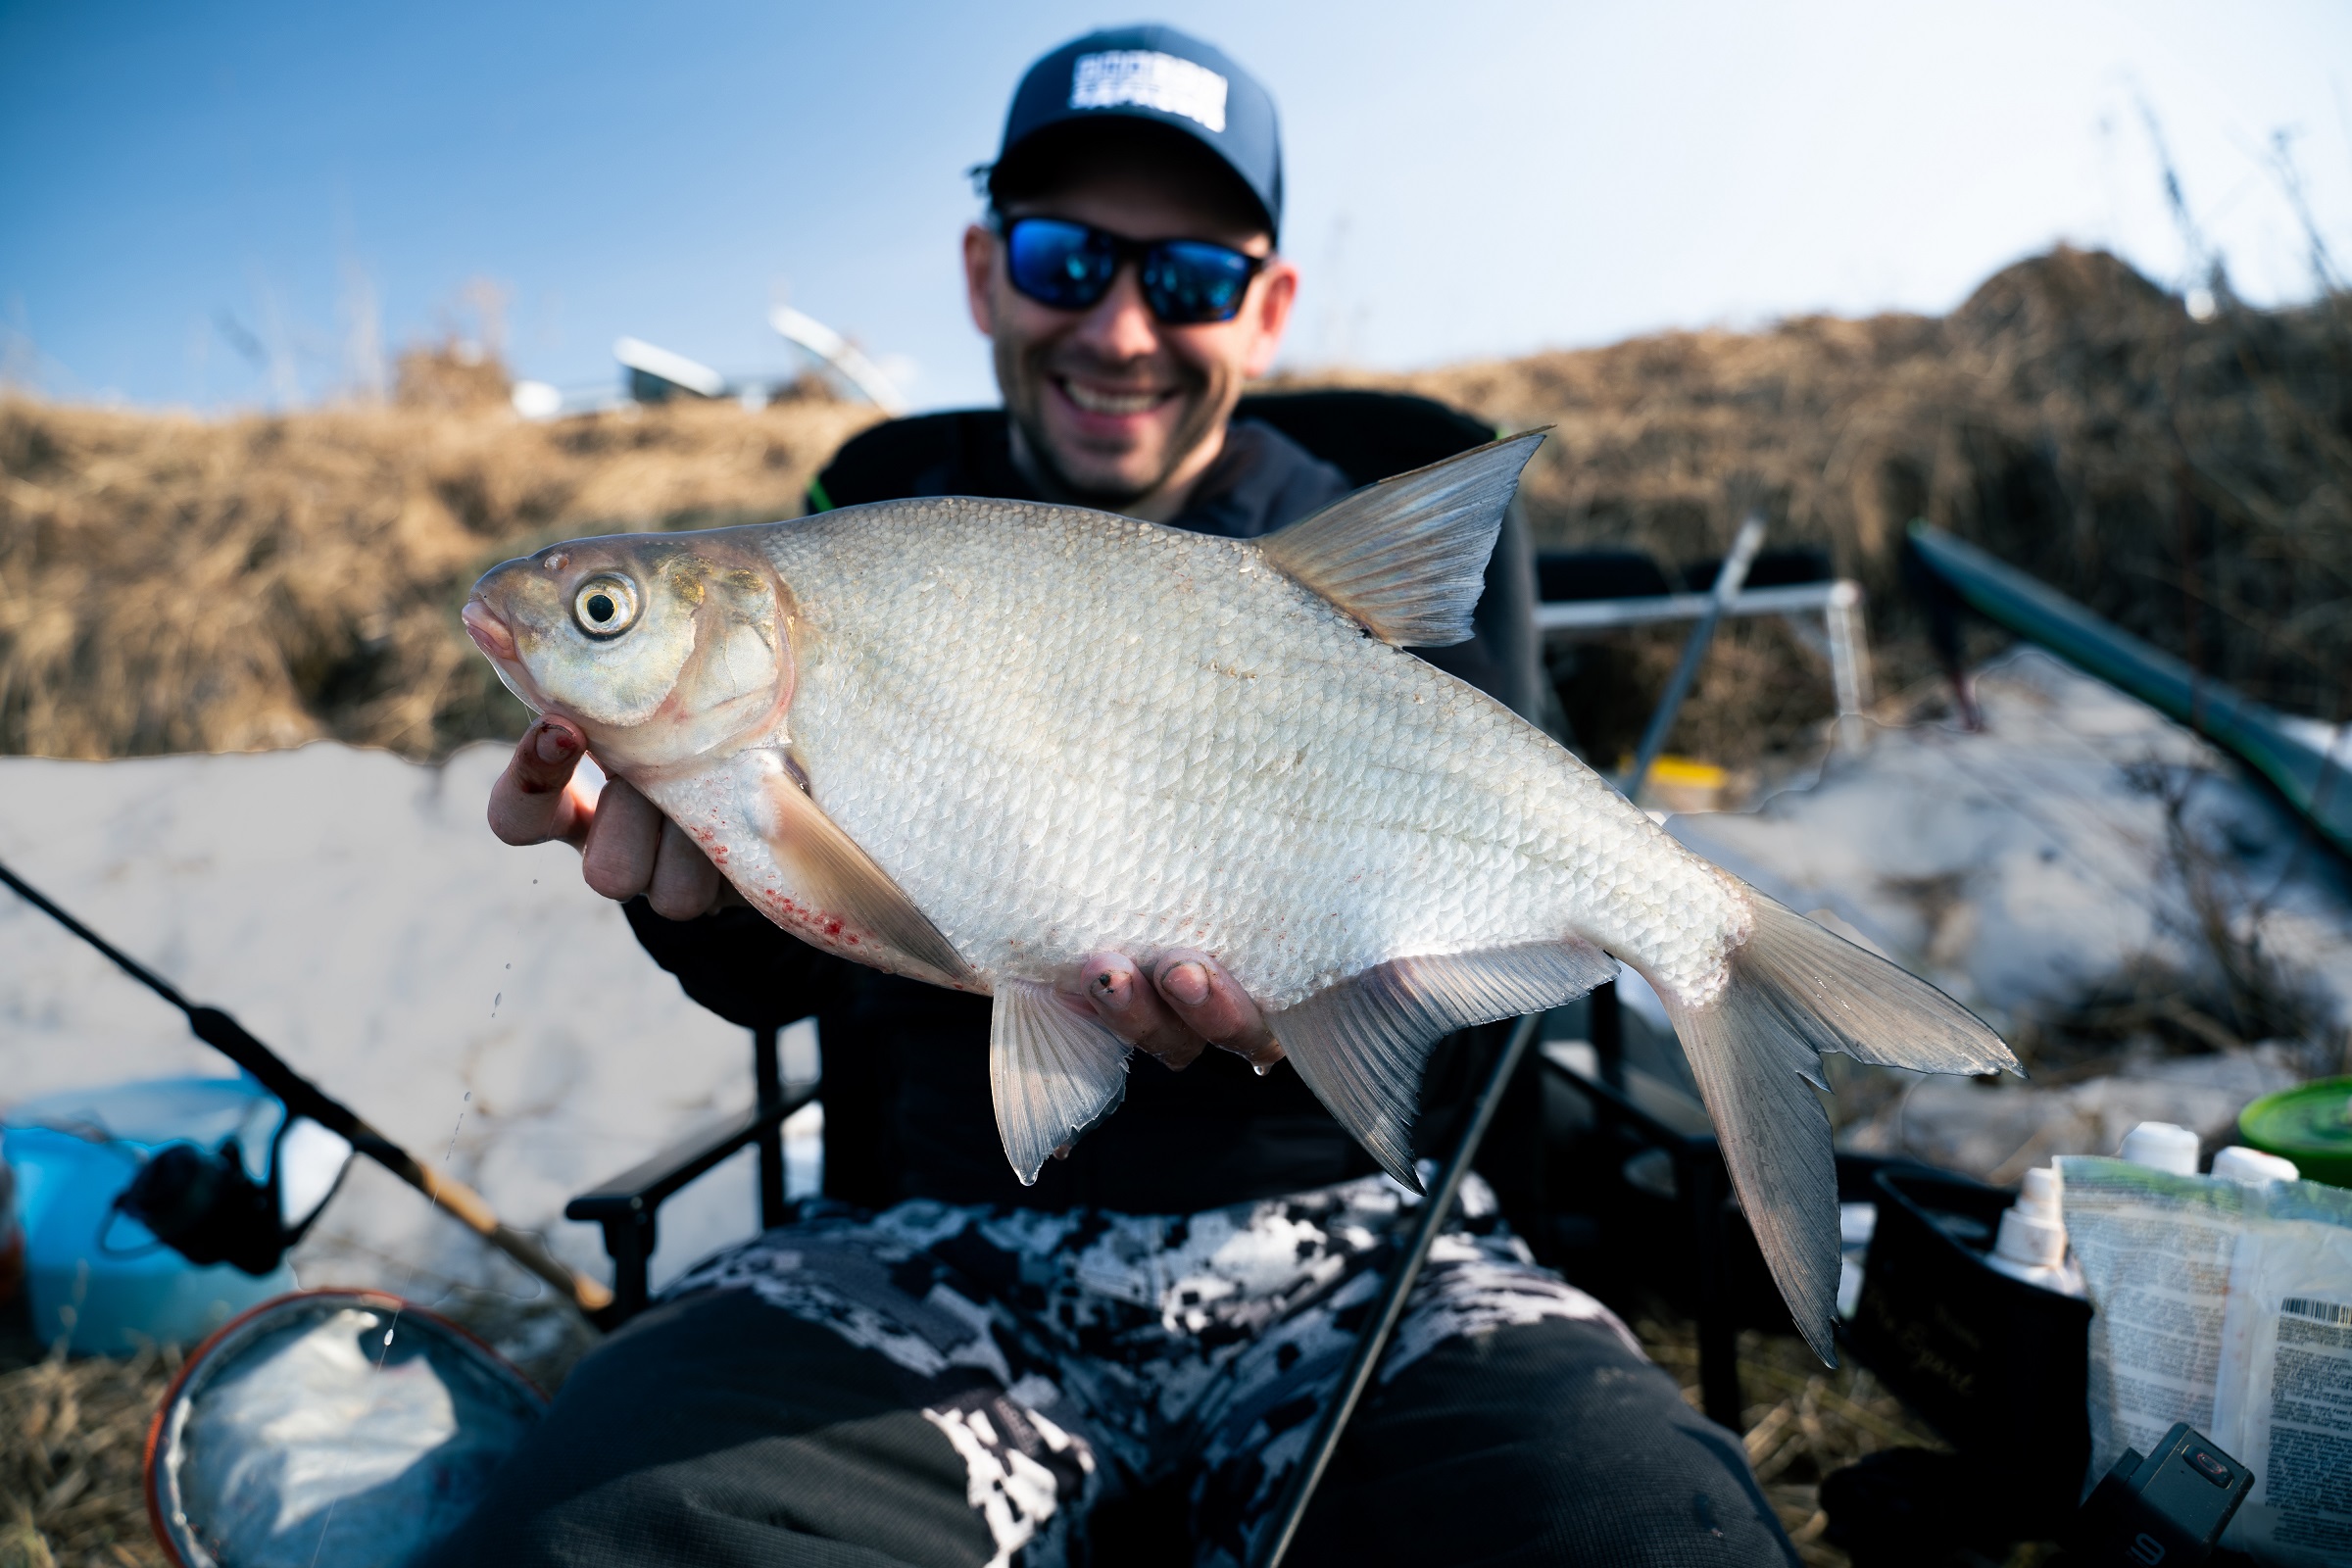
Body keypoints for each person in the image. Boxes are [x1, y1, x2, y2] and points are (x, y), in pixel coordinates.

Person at [441, 25, 1796, 1568]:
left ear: (1268, 307)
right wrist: (698, 901)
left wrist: (1332, 999)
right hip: (931, 1253)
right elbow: (801, 961)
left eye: (1194, 278)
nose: (1124, 326)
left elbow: (1465, 935)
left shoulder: (1358, 562)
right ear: (984, 272)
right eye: (1065, 258)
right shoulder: (866, 516)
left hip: (1369, 1253)